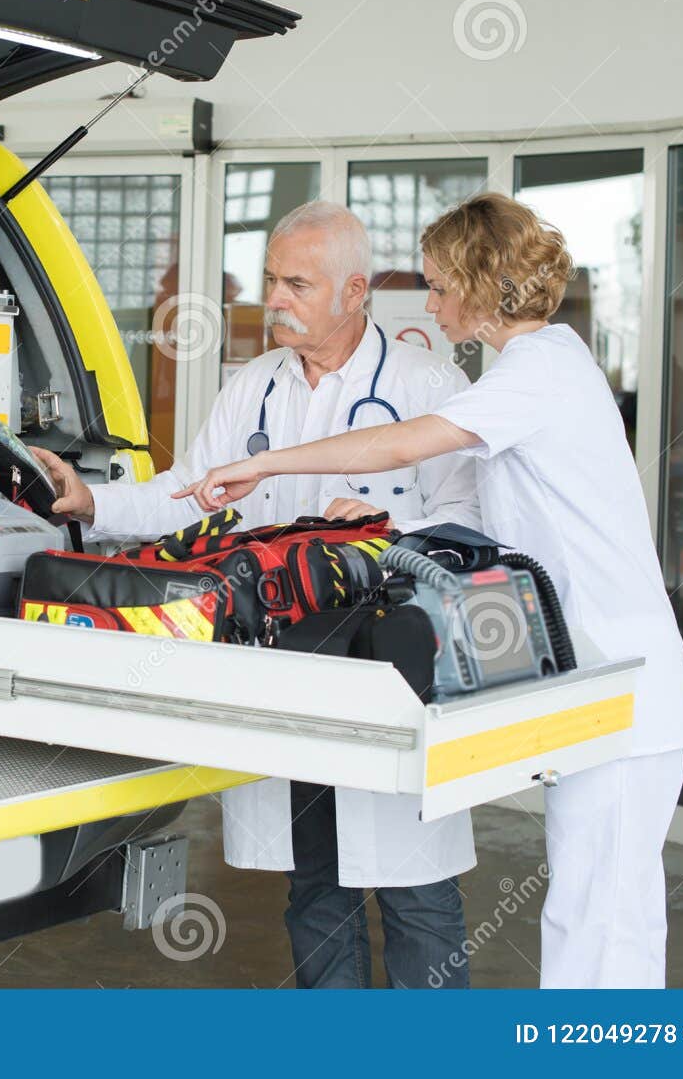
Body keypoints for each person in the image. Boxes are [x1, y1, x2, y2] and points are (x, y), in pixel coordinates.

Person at [175, 192, 683, 988]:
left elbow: (407, 442)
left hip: (623, 682)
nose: (430, 302)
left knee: (606, 922)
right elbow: (492, 529)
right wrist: (387, 531)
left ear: (484, 282)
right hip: (595, 680)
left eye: (441, 283)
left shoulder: (541, 369)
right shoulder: (533, 368)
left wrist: (268, 463)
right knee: (589, 909)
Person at [30, 201, 481, 988]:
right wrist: (92, 504)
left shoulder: (425, 382)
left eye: (295, 283)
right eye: (271, 278)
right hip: (281, 666)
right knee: (314, 887)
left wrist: (389, 523)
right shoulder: (255, 386)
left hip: (387, 670)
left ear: (354, 291)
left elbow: (470, 521)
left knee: (416, 891)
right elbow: (189, 492)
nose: (272, 297)